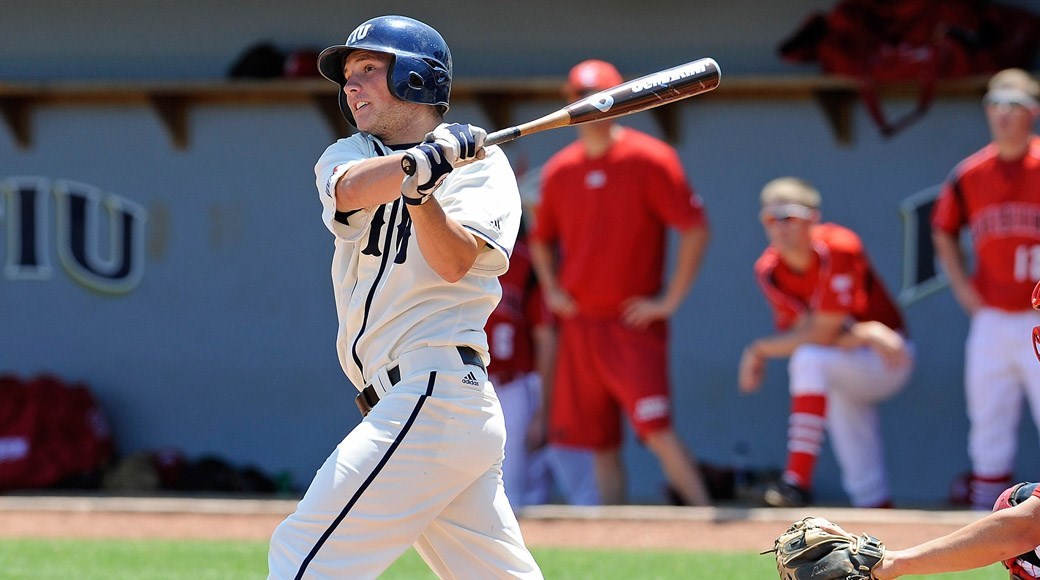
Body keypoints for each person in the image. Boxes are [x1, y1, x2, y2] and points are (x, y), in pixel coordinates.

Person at [267, 15, 541, 579]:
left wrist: (424, 193)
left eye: (369, 69)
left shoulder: (482, 166)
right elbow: (349, 191)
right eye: (347, 75)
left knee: (303, 555)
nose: (351, 85)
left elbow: (453, 262)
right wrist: (416, 166)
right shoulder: (347, 153)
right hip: (418, 406)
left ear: (417, 78)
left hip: (435, 390)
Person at [529, 59, 713, 506]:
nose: (586, 105)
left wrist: (668, 301)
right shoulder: (560, 170)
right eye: (578, 96)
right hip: (581, 326)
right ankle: (615, 538)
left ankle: (710, 524)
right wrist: (552, 288)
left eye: (598, 96)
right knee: (599, 444)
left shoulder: (650, 158)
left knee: (655, 431)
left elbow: (695, 227)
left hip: (632, 323)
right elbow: (541, 240)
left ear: (620, 100)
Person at [739, 177, 913, 508]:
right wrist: (860, 332)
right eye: (769, 219)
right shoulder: (769, 270)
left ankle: (796, 481)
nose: (779, 227)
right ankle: (878, 518)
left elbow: (818, 336)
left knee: (808, 358)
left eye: (788, 216)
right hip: (847, 356)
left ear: (812, 218)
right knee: (861, 476)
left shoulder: (838, 246)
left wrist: (758, 349)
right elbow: (813, 330)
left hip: (888, 355)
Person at [931, 67, 1040, 511]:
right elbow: (942, 230)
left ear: (1032, 112)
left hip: (1038, 312)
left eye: (1013, 106)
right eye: (995, 106)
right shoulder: (970, 172)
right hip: (993, 315)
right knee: (988, 425)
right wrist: (962, 287)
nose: (1002, 115)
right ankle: (985, 523)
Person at [488, 223, 599, 510]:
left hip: (513, 384)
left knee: (514, 493)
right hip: (462, 384)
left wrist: (543, 409)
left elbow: (546, 340)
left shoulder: (528, 261)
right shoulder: (450, 251)